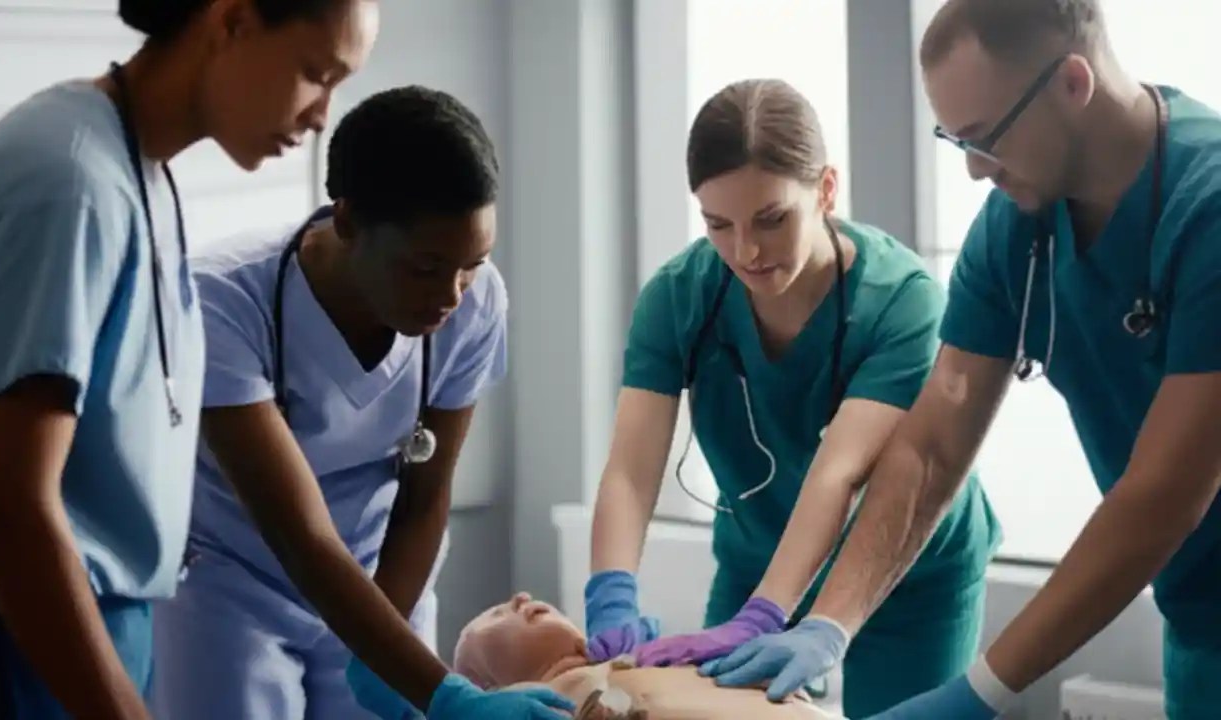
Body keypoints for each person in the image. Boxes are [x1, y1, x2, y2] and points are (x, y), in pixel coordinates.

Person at [700, 2, 1221, 719]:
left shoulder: (1209, 209)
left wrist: (980, 692)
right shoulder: (1015, 233)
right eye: (956, 141)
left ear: (1074, 84)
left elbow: (1165, 492)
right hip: (1201, 628)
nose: (976, 170)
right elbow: (931, 447)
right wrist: (831, 623)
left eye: (988, 139)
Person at [0, 0, 376, 717]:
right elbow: (8, 508)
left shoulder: (137, 171)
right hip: (13, 636)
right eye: (313, 73)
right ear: (232, 22)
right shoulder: (66, 179)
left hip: (94, 625)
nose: (323, 114)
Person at [151, 85, 574, 720]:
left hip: (383, 581)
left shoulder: (476, 301)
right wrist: (445, 694)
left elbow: (425, 498)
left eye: (472, 264)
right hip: (233, 588)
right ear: (346, 221)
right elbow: (300, 534)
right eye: (426, 268)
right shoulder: (222, 303)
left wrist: (384, 655)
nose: (453, 295)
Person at [584, 78, 1002, 718]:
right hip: (758, 559)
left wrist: (763, 619)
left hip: (905, 575)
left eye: (771, 219)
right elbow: (632, 472)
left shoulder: (902, 301)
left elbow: (840, 471)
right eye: (718, 224)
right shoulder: (678, 296)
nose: (745, 251)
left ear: (826, 190)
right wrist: (611, 589)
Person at [439, 591, 844, 720]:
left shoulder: (653, 657)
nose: (521, 597)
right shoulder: (534, 700)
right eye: (497, 613)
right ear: (485, 688)